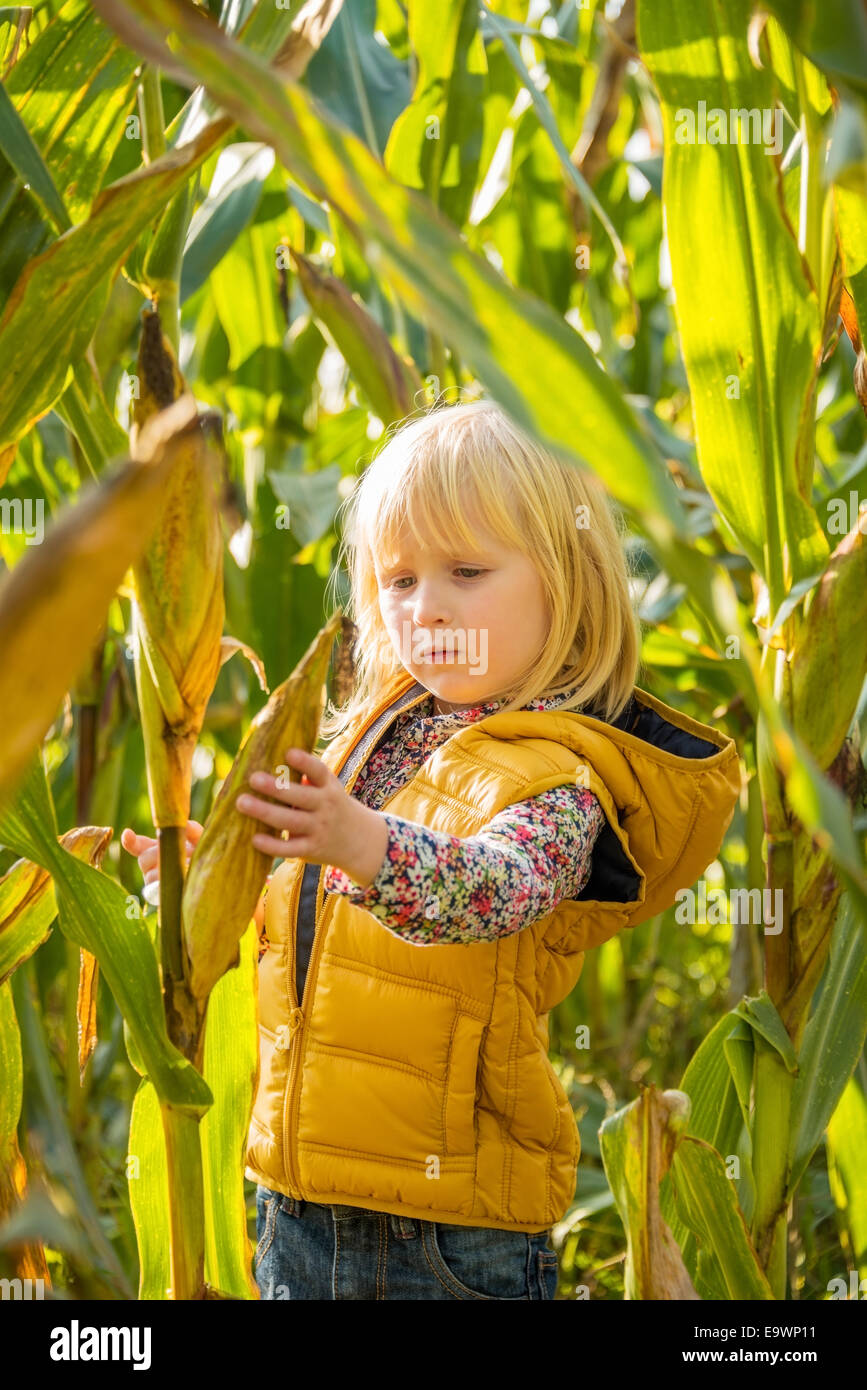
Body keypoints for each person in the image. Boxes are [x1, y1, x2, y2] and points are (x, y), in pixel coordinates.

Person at [123, 399, 740, 1300]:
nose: (426, 606)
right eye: (400, 580)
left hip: (447, 1231)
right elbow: (315, 927)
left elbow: (492, 891)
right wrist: (210, 882)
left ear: (567, 582)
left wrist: (360, 843)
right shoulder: (374, 743)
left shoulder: (557, 776)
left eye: (465, 570)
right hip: (296, 1201)